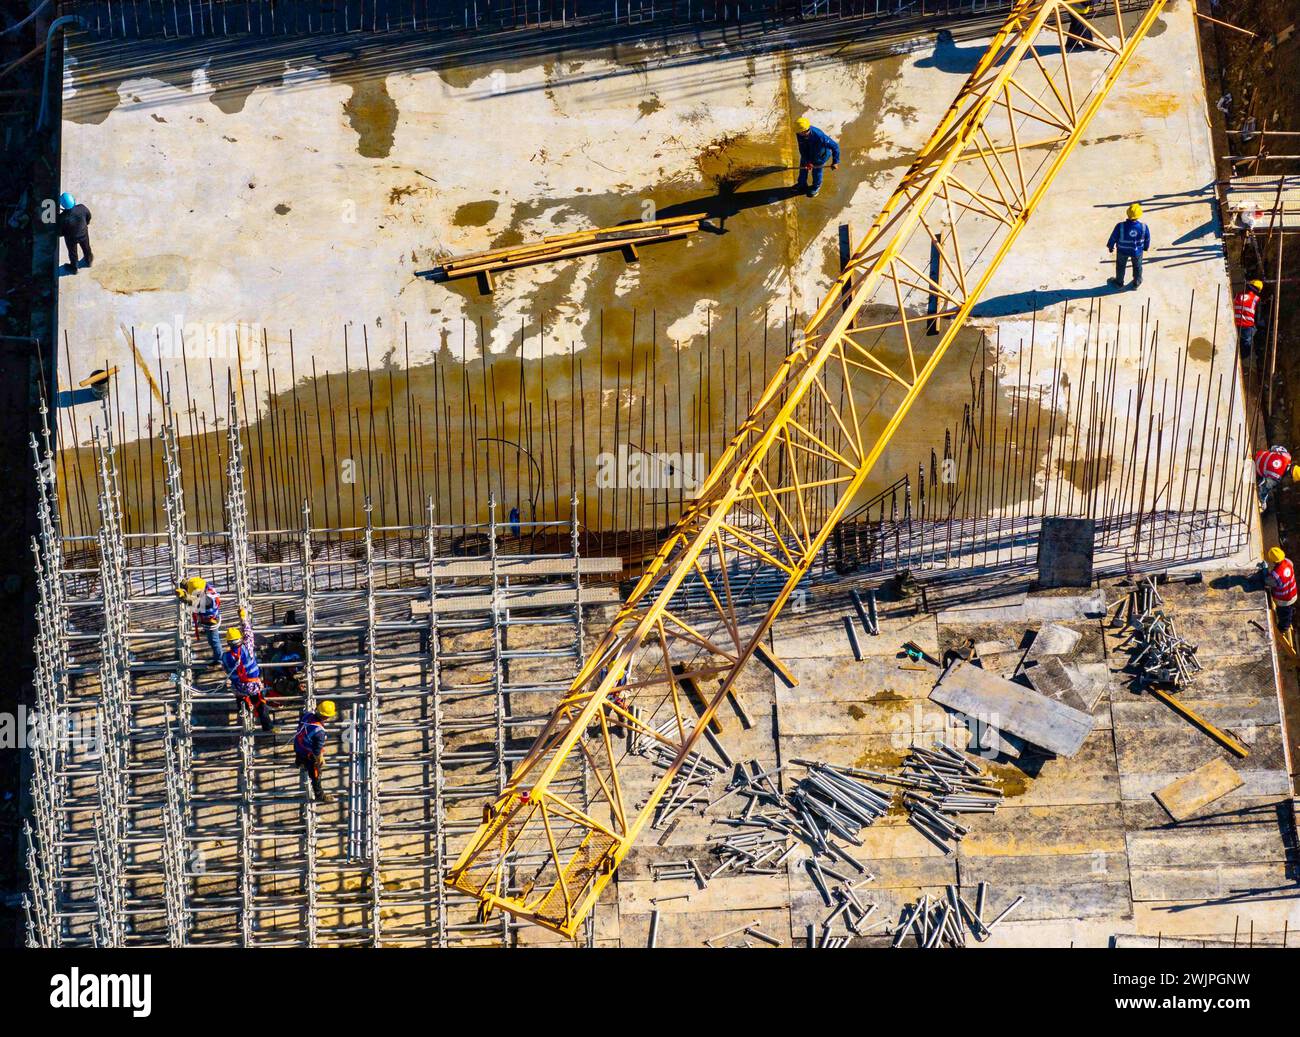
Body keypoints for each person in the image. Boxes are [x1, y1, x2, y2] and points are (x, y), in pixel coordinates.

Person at [221, 625, 275, 735]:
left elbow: (226, 670)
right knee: (260, 704)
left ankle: (244, 716)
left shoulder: (225, 657)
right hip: (253, 686)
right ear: (239, 639)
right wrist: (243, 617)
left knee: (241, 703)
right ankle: (267, 727)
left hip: (239, 687)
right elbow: (248, 633)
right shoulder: (247, 648)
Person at [294, 700, 336, 801]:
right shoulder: (319, 732)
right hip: (308, 754)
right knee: (316, 775)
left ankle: (299, 763)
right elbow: (316, 751)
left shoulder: (307, 715)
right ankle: (320, 796)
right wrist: (319, 760)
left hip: (298, 745)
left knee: (300, 757)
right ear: (326, 717)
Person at [176, 576, 222, 664]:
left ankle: (219, 659)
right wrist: (184, 584)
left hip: (211, 622)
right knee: (211, 638)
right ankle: (206, 632)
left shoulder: (208, 600)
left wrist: (184, 596)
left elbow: (195, 601)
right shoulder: (205, 586)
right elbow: (194, 586)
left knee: (214, 641)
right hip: (205, 618)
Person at [1106, 203, 1150, 290]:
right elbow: (1147, 238)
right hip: (1137, 251)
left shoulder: (1120, 226)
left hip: (1122, 251)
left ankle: (1119, 282)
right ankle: (1136, 283)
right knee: (1137, 266)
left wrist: (1110, 246)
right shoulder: (1144, 227)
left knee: (1121, 266)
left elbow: (1113, 237)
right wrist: (1145, 247)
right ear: (1139, 215)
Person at [794, 116, 840, 199]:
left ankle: (816, 187)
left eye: (799, 132)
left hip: (819, 157)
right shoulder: (799, 133)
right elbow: (801, 147)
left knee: (817, 173)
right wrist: (807, 161)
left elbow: (835, 146)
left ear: (805, 131)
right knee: (803, 169)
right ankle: (802, 185)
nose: (797, 133)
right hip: (806, 155)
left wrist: (835, 161)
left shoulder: (819, 136)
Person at [1254, 444, 1299, 513]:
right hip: (1255, 468)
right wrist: (1263, 503)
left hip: (1258, 455)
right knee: (1264, 504)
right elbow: (1263, 487)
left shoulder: (1286, 455)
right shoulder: (1277, 478)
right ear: (1290, 476)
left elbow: (1274, 447)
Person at [56, 193, 93, 274]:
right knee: (86, 247)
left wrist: (63, 234)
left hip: (71, 238)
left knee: (72, 253)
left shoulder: (62, 218)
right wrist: (86, 224)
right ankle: (89, 261)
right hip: (83, 234)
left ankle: (74, 268)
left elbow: (59, 232)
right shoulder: (82, 208)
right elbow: (89, 216)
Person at [1266, 547, 1297, 637]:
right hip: (1292, 594)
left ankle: (1283, 627)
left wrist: (1265, 573)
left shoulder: (1276, 574)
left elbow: (1268, 582)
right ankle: (1291, 610)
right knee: (1289, 608)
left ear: (1273, 561)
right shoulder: (1289, 562)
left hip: (1283, 600)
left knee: (1283, 614)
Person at [1234, 279, 1263, 359]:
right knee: (1246, 349)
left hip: (1235, 324)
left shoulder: (1237, 295)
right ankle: (1240, 360)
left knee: (1234, 344)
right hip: (1247, 327)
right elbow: (1258, 316)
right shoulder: (1256, 299)